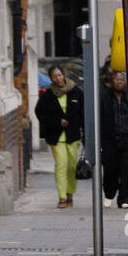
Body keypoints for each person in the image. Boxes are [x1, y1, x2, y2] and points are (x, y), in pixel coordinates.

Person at [34, 64, 84, 208]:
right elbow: (40, 113)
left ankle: (70, 194)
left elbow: (82, 113)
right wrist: (57, 121)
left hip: (73, 135)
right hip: (56, 137)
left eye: (59, 75)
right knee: (61, 165)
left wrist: (84, 132)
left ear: (64, 75)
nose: (58, 79)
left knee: (71, 166)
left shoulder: (75, 92)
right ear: (51, 78)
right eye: (54, 76)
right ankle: (62, 197)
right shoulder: (48, 95)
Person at [100, 70, 128, 207]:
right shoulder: (104, 97)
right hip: (109, 139)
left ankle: (125, 199)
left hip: (126, 138)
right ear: (111, 82)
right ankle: (109, 193)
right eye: (117, 80)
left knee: (127, 170)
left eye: (122, 80)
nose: (120, 82)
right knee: (110, 169)